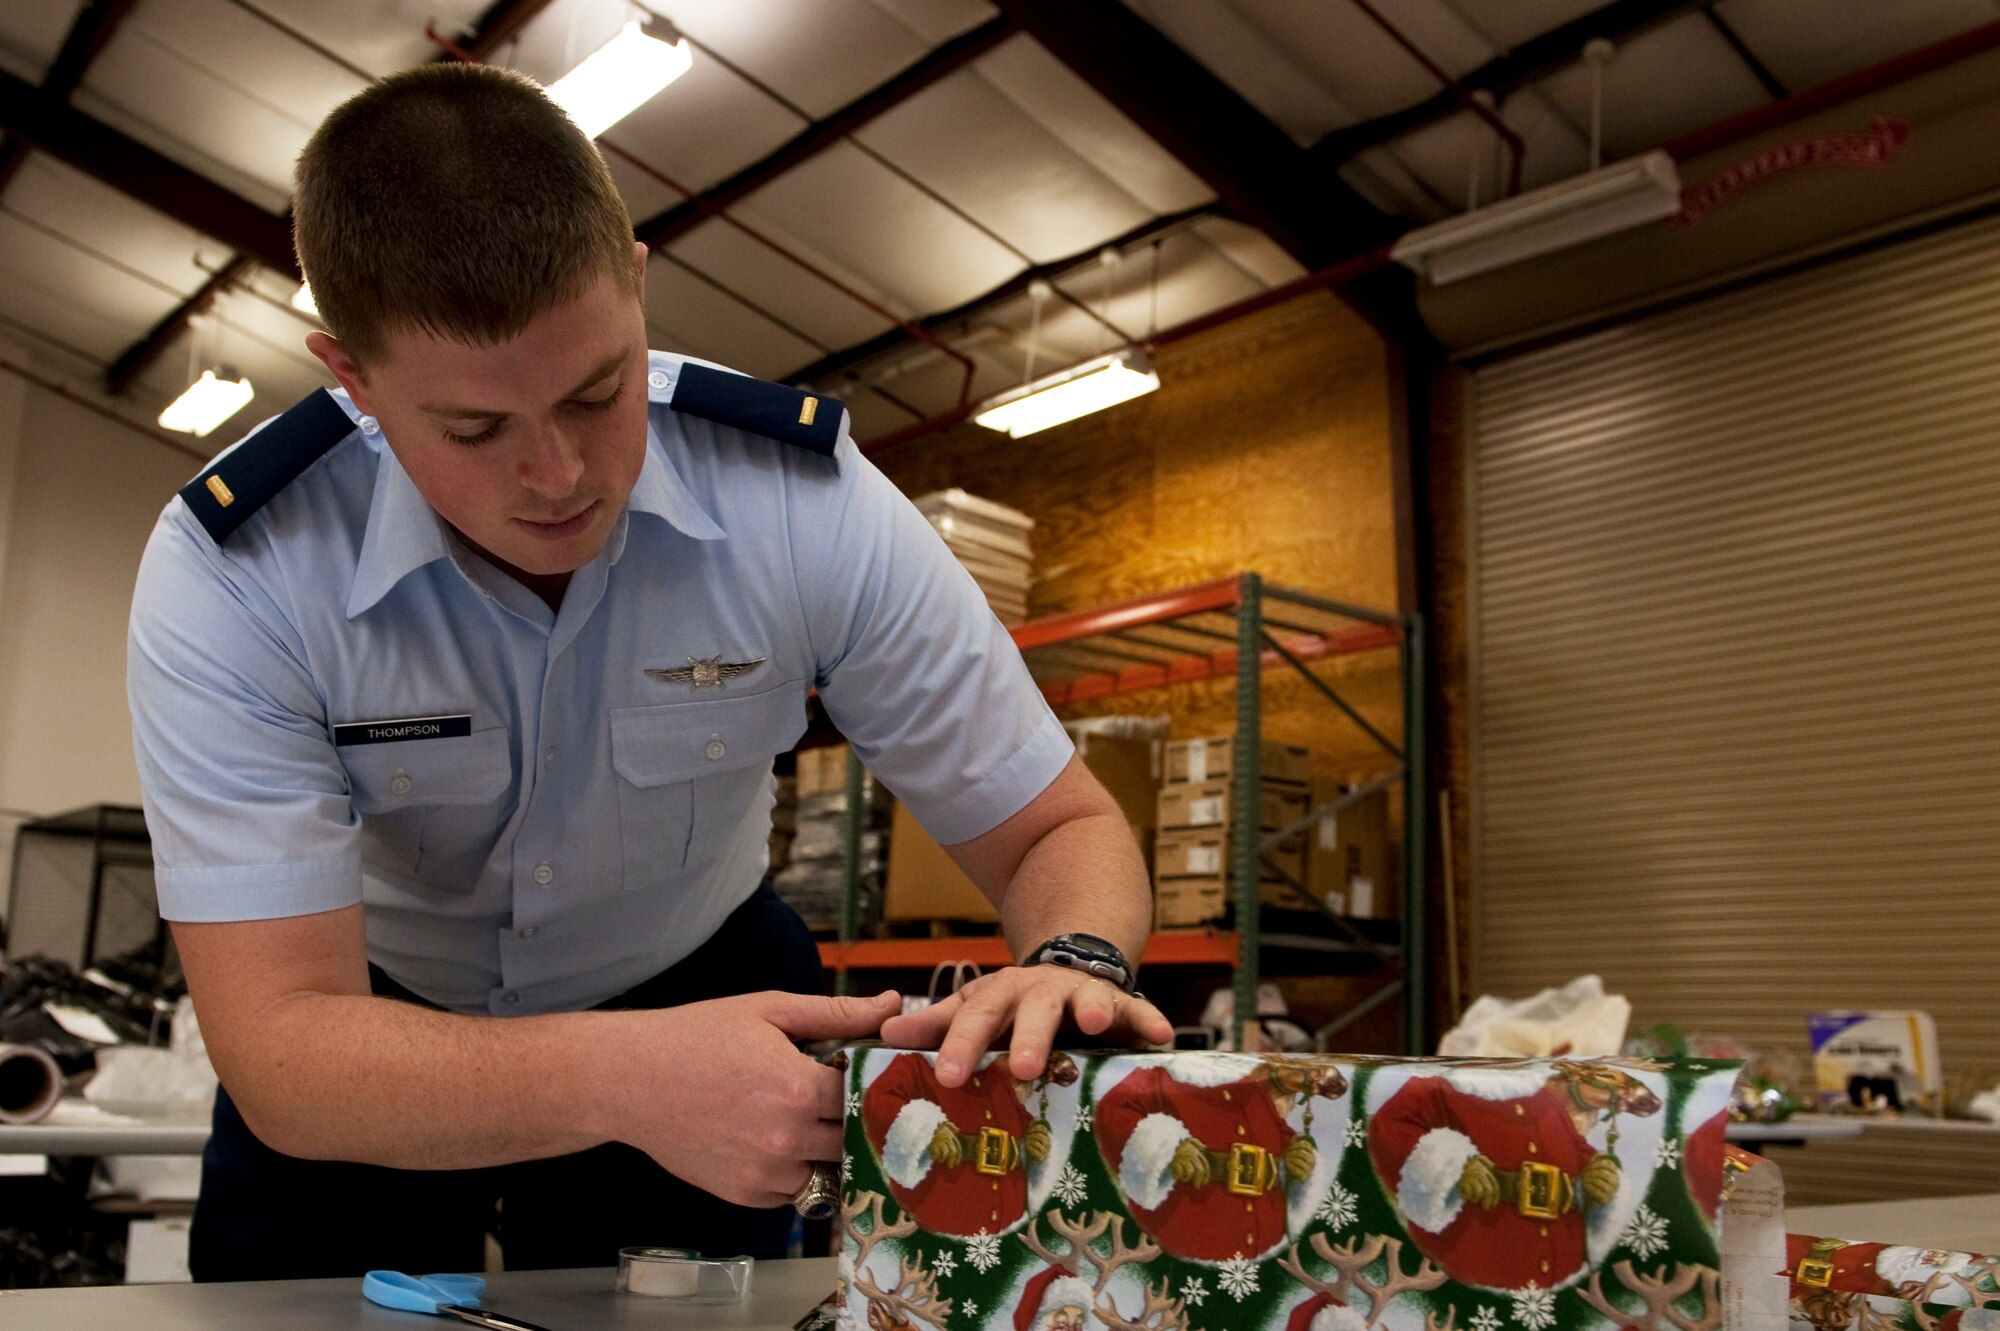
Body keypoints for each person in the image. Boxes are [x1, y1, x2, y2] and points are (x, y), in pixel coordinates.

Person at [125, 62, 1168, 1281]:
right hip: (369, 1044)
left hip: (701, 986)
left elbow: (1058, 828)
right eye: (474, 431)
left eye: (597, 389)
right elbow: (283, 1054)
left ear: (633, 280)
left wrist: (1070, 962)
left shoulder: (803, 506)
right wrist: (617, 1074)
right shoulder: (239, 568)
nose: (558, 471)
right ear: (351, 380)